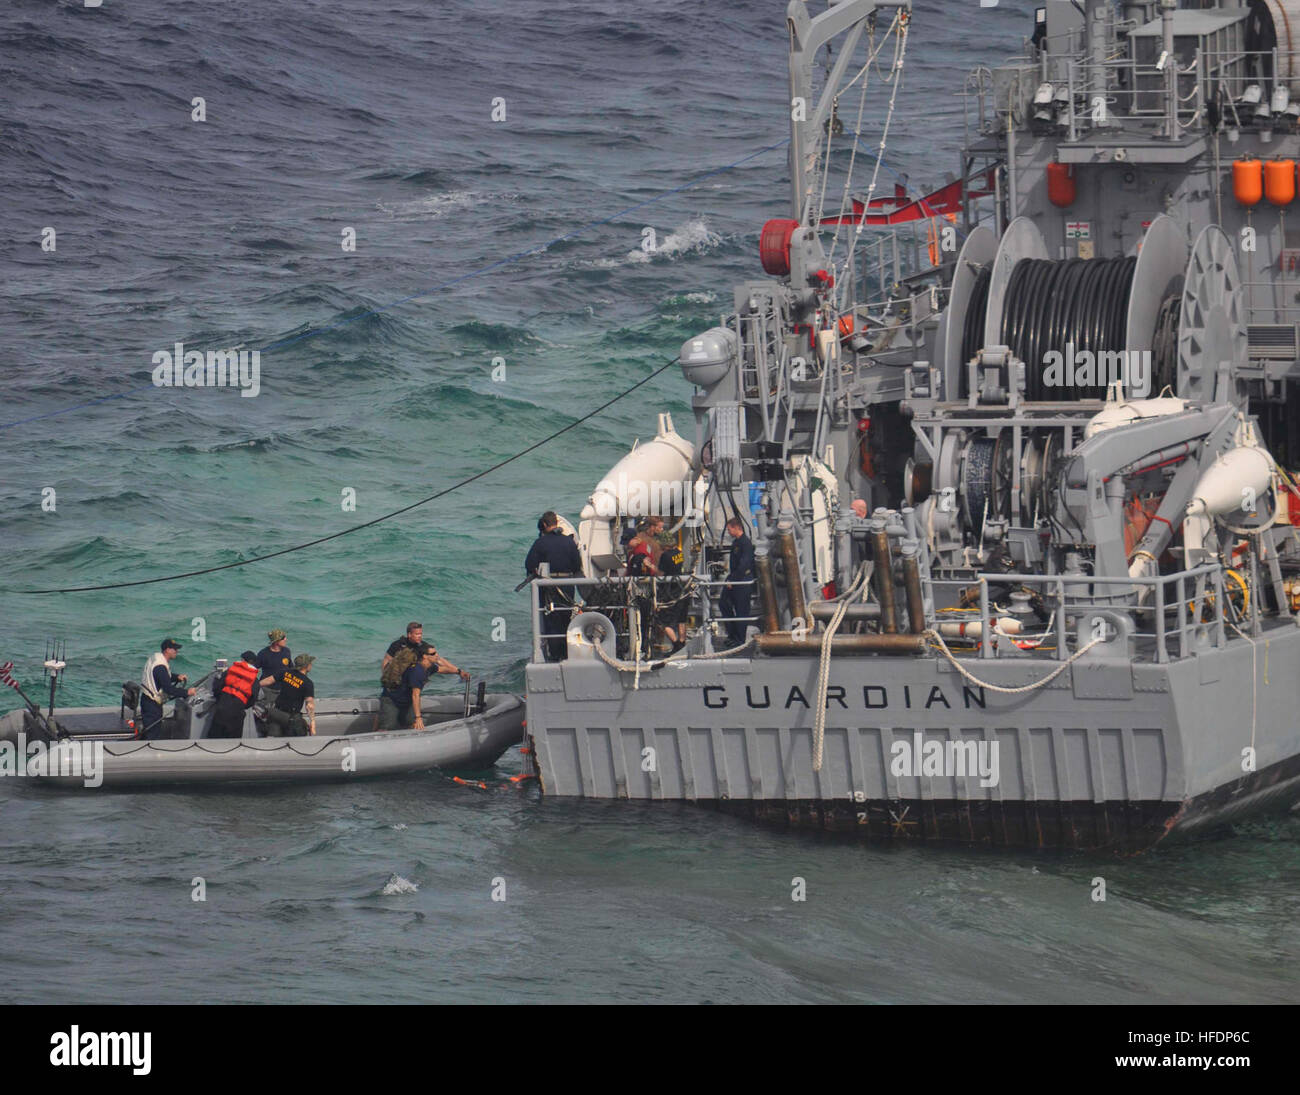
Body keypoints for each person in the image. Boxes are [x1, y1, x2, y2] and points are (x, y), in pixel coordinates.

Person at [525, 511, 585, 661]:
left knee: (551, 618)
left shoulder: (541, 543)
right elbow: (577, 565)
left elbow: (529, 564)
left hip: (549, 587)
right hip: (567, 585)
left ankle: (555, 653)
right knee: (566, 616)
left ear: (544, 525)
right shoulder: (569, 541)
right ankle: (567, 652)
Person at [379, 643, 470, 731]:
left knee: (411, 724)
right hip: (392, 700)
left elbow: (442, 669)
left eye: (436, 652)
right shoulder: (417, 671)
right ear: (425, 656)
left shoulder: (428, 667)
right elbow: (415, 695)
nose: (437, 655)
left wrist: (459, 672)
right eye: (433, 653)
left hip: (407, 701)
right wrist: (418, 717)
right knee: (387, 727)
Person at [139, 638, 197, 740]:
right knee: (152, 734)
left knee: (149, 730)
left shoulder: (156, 658)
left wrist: (176, 677)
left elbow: (162, 678)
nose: (176, 651)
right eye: (174, 649)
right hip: (152, 705)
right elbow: (168, 689)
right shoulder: (160, 666)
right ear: (167, 650)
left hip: (147, 699)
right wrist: (187, 692)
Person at [718, 516, 756, 648]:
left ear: (737, 528)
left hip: (742, 581)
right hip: (734, 578)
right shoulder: (736, 543)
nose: (728, 532)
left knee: (741, 610)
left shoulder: (746, 544)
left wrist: (732, 581)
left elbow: (744, 565)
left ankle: (739, 639)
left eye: (729, 529)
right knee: (724, 604)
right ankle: (732, 634)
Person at [210, 650, 261, 739]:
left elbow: (217, 688)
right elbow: (251, 701)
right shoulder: (255, 681)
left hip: (221, 710)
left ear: (243, 660)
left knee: (214, 739)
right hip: (237, 714)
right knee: (233, 743)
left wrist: (221, 700)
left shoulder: (230, 671)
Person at [267, 654, 316, 737]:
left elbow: (268, 681)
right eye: (310, 663)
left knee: (275, 736)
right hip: (290, 717)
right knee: (300, 733)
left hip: (276, 712)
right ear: (306, 666)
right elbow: (309, 705)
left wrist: (252, 686)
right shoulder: (307, 683)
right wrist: (313, 722)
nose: (311, 665)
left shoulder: (285, 672)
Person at [255, 628, 292, 708]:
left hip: (283, 689)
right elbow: (253, 669)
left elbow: (291, 668)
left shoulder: (287, 651)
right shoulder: (263, 654)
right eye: (283, 638)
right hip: (268, 690)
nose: (286, 639)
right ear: (276, 641)